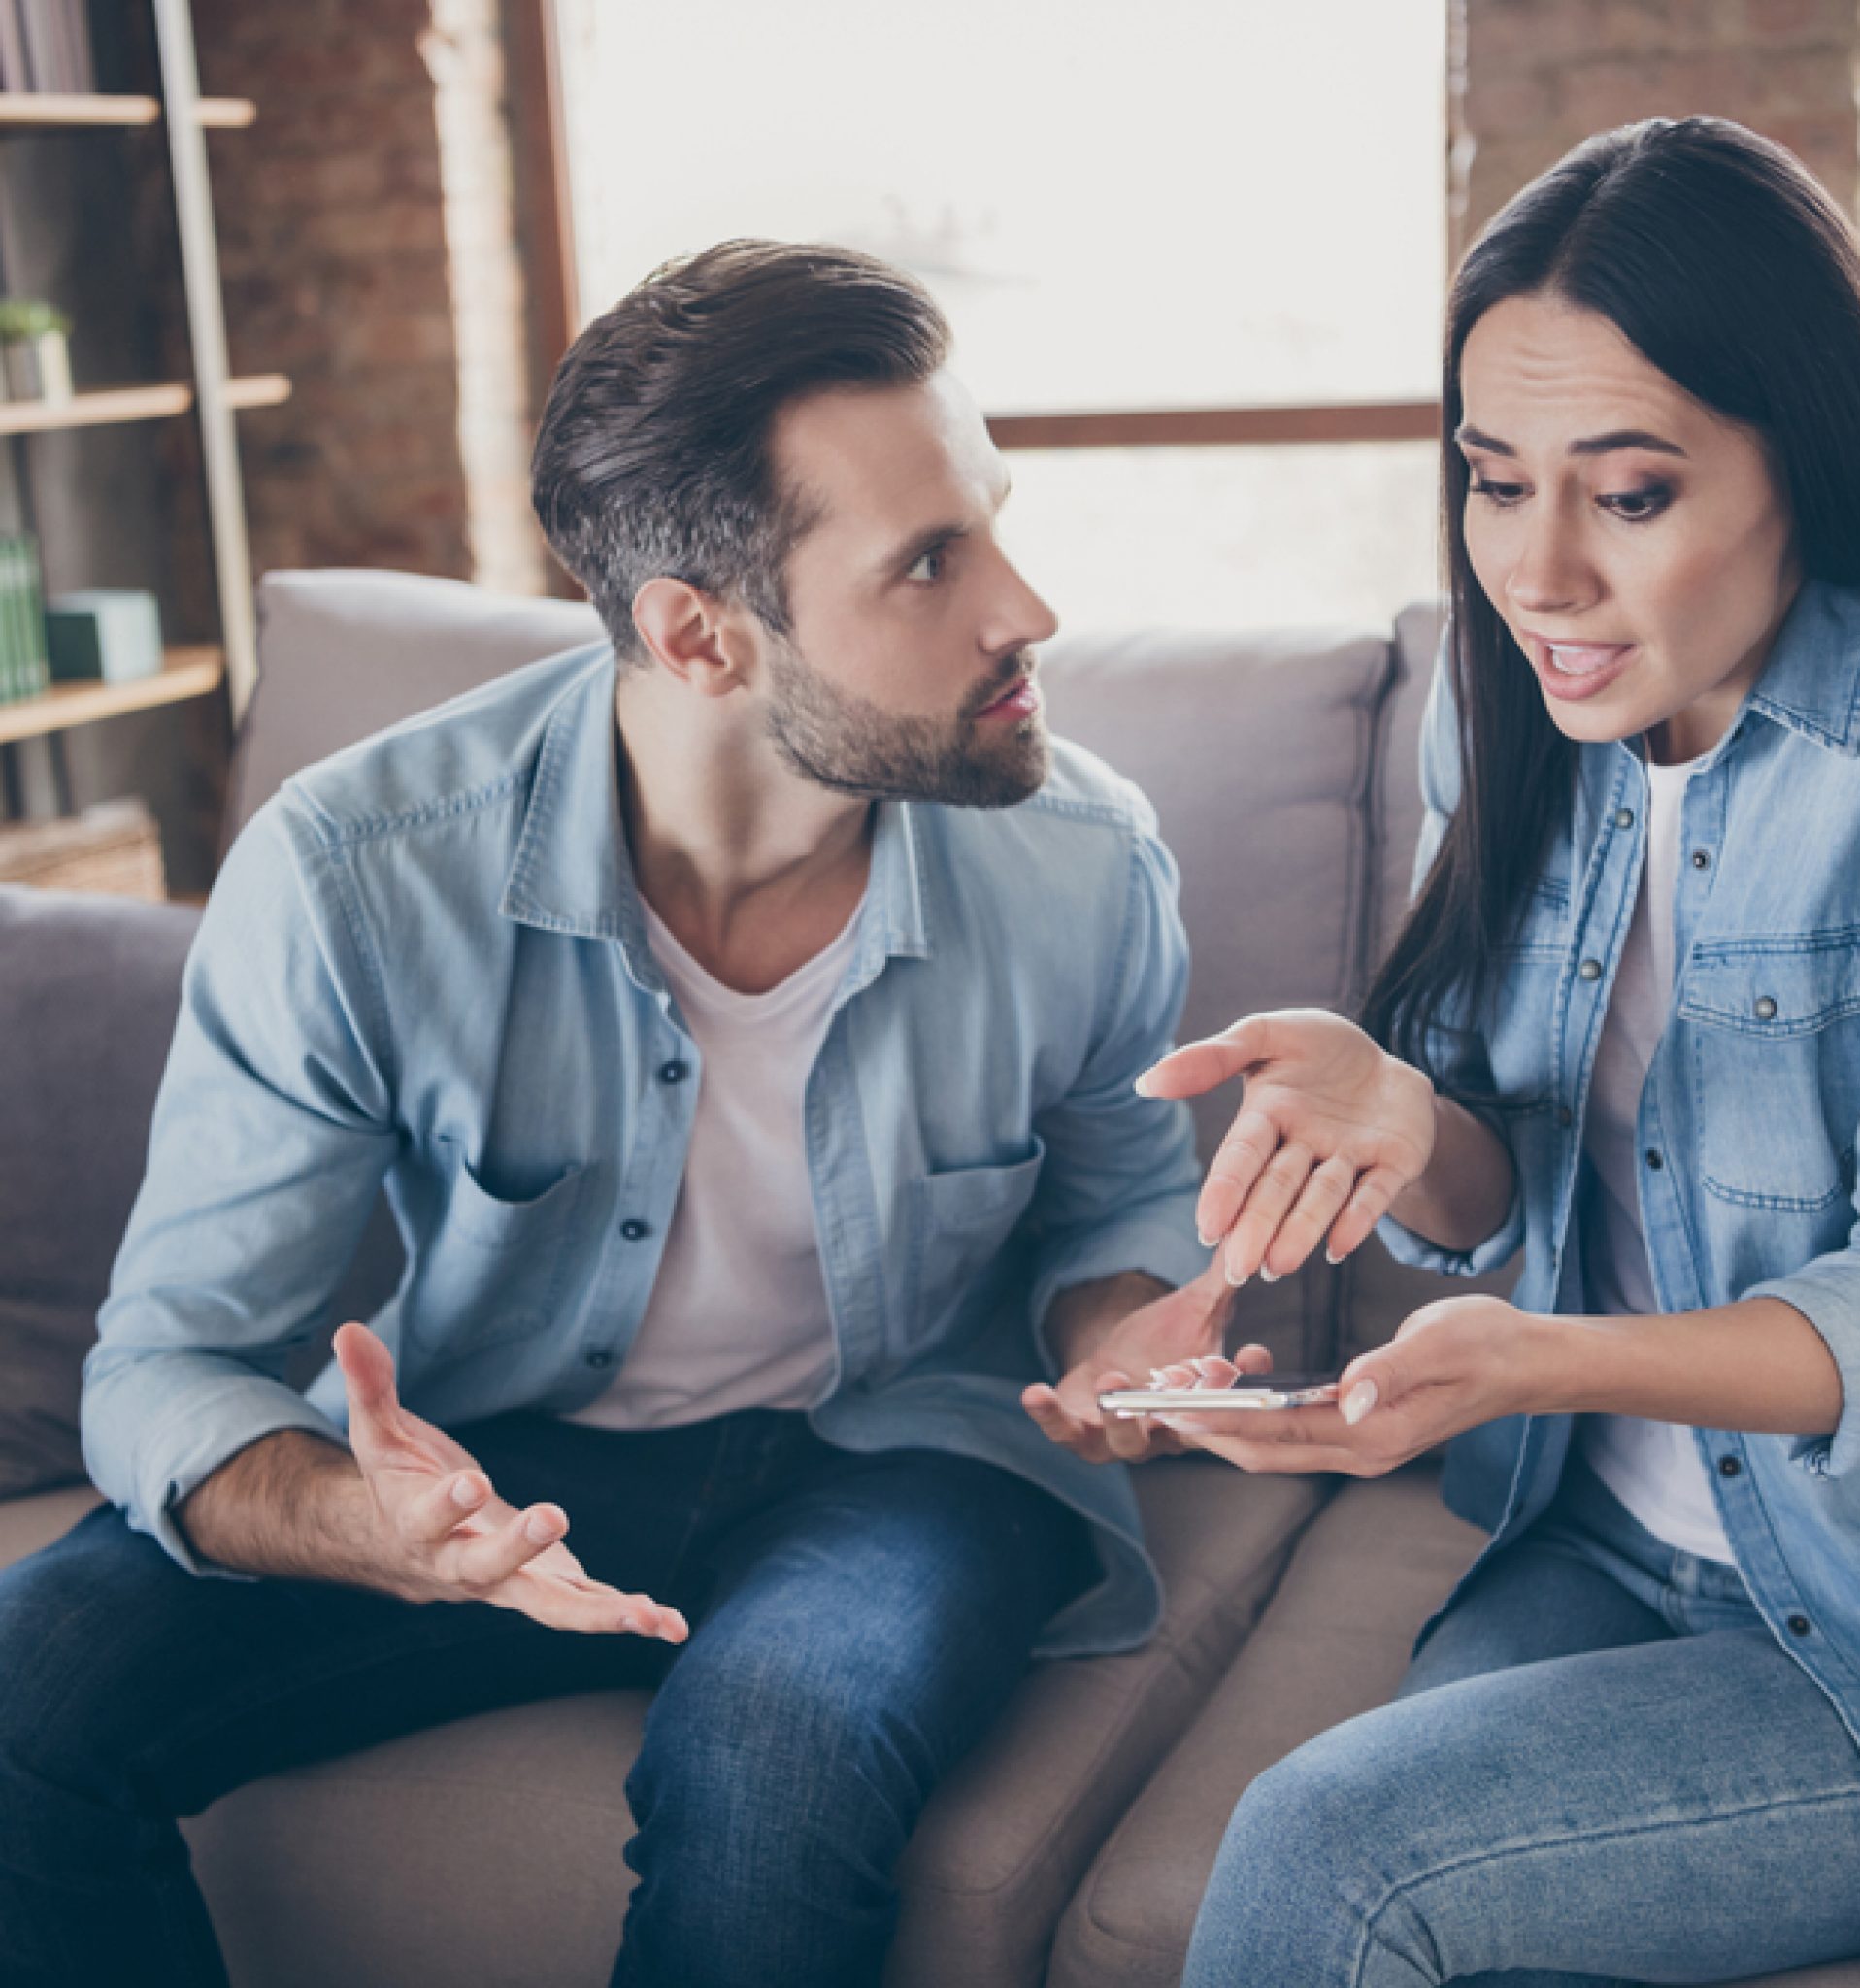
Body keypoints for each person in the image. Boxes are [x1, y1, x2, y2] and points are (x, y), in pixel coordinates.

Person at [0, 240, 1231, 1988]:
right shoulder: (359, 878)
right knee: (21, 1694)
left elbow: (1119, 1211)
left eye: (995, 521)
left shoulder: (1084, 863)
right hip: (516, 1447)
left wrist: (1129, 1338)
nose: (1024, 607)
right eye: (931, 562)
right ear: (695, 634)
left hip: (898, 1454)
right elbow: (168, 1364)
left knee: (776, 1756)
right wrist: (374, 1528)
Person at [1123, 119, 1860, 1980]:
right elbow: (1518, 1163)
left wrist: (1528, 1363)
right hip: (1604, 1555)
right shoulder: (1516, 700)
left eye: (1634, 493)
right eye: (1492, 481)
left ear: (1805, 457)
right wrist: (1407, 1123)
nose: (1542, 573)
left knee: (1329, 1854)